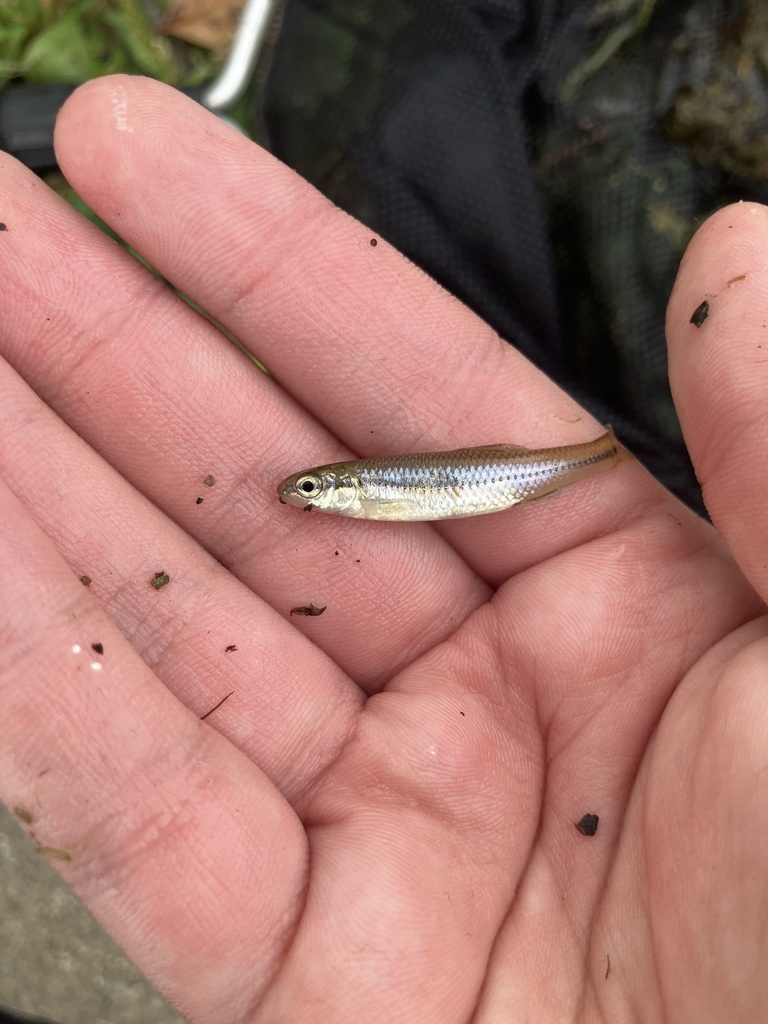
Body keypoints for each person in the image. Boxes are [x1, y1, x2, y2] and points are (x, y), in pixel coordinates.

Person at [0, 75, 765, 1023]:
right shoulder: (357, 498)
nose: (313, 495)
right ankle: (594, 455)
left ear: (343, 491)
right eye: (318, 490)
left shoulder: (367, 492)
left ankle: (595, 455)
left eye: (319, 489)